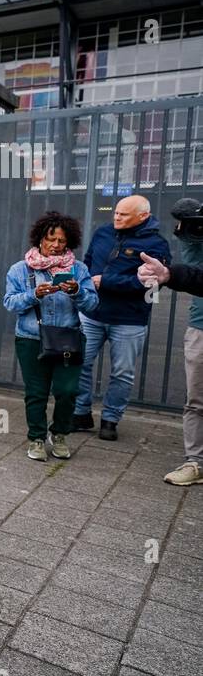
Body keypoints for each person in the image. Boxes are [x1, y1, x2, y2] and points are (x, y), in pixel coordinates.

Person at [73, 195, 171, 441]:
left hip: (129, 320)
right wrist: (87, 284)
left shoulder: (156, 244)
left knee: (122, 373)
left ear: (143, 217)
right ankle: (81, 413)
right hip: (92, 313)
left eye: (124, 214)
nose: (116, 217)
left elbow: (151, 285)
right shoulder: (103, 233)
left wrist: (106, 282)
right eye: (116, 212)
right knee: (78, 363)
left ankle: (110, 420)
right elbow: (87, 263)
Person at [4, 212, 100, 462]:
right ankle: (36, 438)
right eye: (51, 240)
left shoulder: (79, 269)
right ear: (40, 239)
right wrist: (34, 294)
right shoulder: (20, 269)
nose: (56, 245)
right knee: (36, 392)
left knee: (68, 391)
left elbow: (92, 305)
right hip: (30, 338)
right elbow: (10, 303)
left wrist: (77, 291)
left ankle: (59, 434)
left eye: (62, 241)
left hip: (68, 338)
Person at [136, 202, 203, 484]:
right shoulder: (195, 234)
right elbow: (194, 269)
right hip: (202, 327)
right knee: (197, 401)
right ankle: (196, 462)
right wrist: (168, 274)